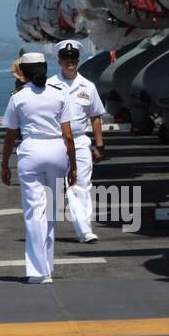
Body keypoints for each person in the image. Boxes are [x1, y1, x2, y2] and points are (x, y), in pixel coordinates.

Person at [0, 51, 77, 283]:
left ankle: (38, 271)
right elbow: (68, 135)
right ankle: (48, 265)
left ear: (23, 73)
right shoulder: (60, 93)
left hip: (31, 152)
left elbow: (11, 135)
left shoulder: (18, 97)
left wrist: (4, 163)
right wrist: (73, 165)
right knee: (51, 212)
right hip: (56, 151)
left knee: (35, 213)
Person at [49, 40, 106, 244]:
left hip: (80, 141)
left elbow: (96, 116)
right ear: (59, 60)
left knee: (82, 186)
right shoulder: (49, 85)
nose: (70, 62)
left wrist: (99, 145)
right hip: (56, 141)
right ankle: (81, 229)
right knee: (59, 188)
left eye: (73, 59)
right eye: (66, 58)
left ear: (78, 60)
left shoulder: (88, 86)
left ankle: (85, 229)